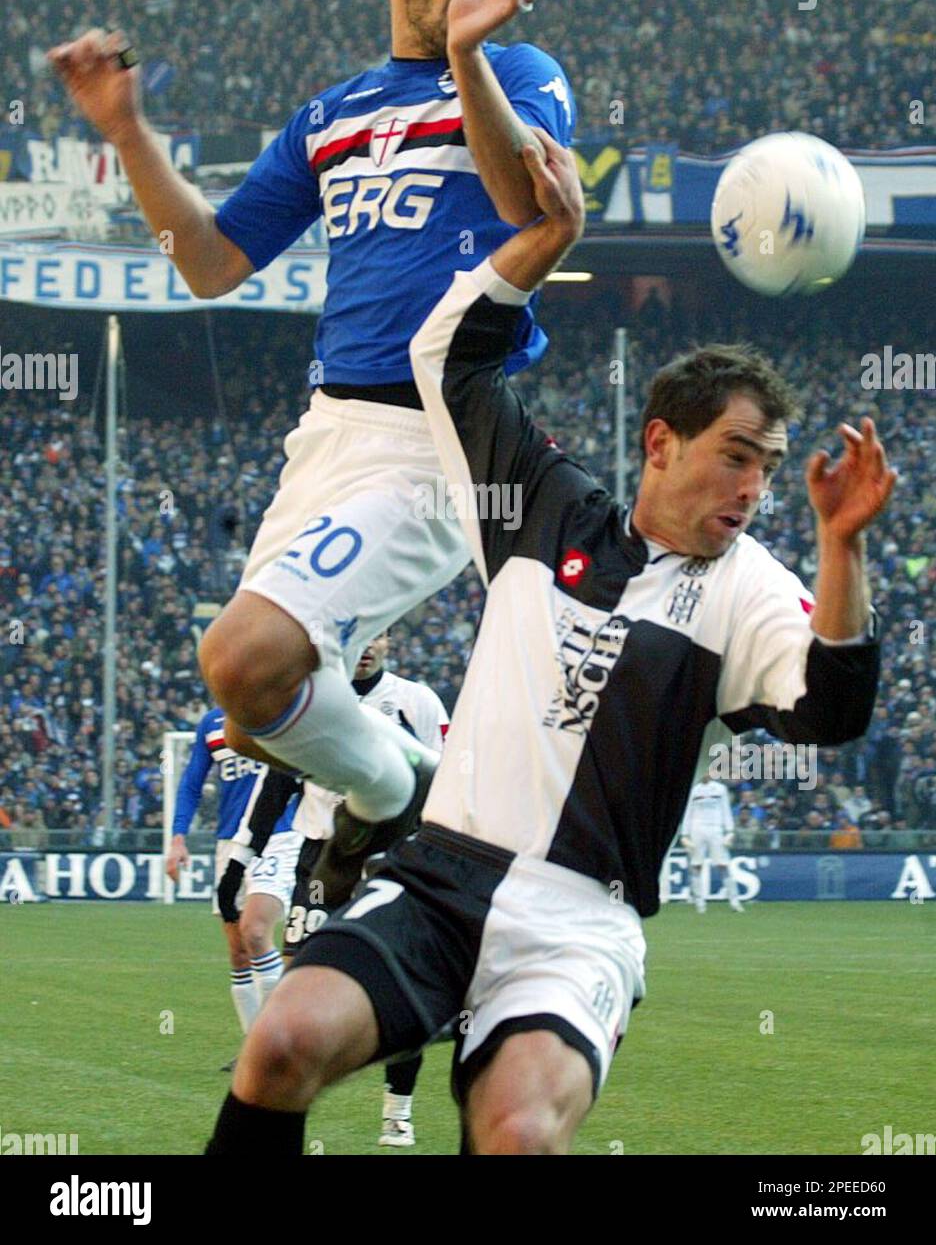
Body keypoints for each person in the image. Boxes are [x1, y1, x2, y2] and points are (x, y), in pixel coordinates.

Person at [205, 133, 895, 1155]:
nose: (755, 488)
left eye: (769, 464)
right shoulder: (542, 505)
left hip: (577, 922)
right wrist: (548, 234)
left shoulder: (750, 588)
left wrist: (842, 548)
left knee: (519, 1131)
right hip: (441, 878)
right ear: (661, 441)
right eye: (736, 456)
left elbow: (833, 710)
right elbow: (448, 357)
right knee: (280, 1043)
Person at [48, 0, 575, 886]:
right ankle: (405, 788)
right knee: (256, 711)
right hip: (328, 431)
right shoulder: (331, 115)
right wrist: (126, 130)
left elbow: (522, 205)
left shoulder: (522, 73)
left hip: (436, 432)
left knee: (246, 657)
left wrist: (469, 55)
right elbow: (209, 263)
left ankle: (397, 793)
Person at [219, 629, 449, 1147]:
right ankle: (281, 1104)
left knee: (401, 978)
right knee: (297, 984)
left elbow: (448, 776)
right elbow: (276, 785)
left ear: (391, 640)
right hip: (321, 858)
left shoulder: (417, 702)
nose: (367, 646)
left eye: (378, 635)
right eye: (359, 636)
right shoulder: (314, 702)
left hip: (393, 859)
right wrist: (241, 860)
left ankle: (397, 1111)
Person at [166, 707, 300, 1053]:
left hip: (277, 835)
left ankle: (276, 1046)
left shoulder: (279, 708)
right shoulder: (211, 724)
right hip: (229, 842)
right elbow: (191, 784)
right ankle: (253, 1050)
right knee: (239, 952)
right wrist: (178, 837)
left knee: (255, 932)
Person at [679, 767, 742, 912]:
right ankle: (699, 903)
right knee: (696, 865)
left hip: (715, 829)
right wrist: (685, 834)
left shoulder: (720, 789)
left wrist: (730, 830)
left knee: (723, 864)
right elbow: (688, 812)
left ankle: (734, 901)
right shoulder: (694, 790)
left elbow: (726, 810)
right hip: (697, 829)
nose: (705, 775)